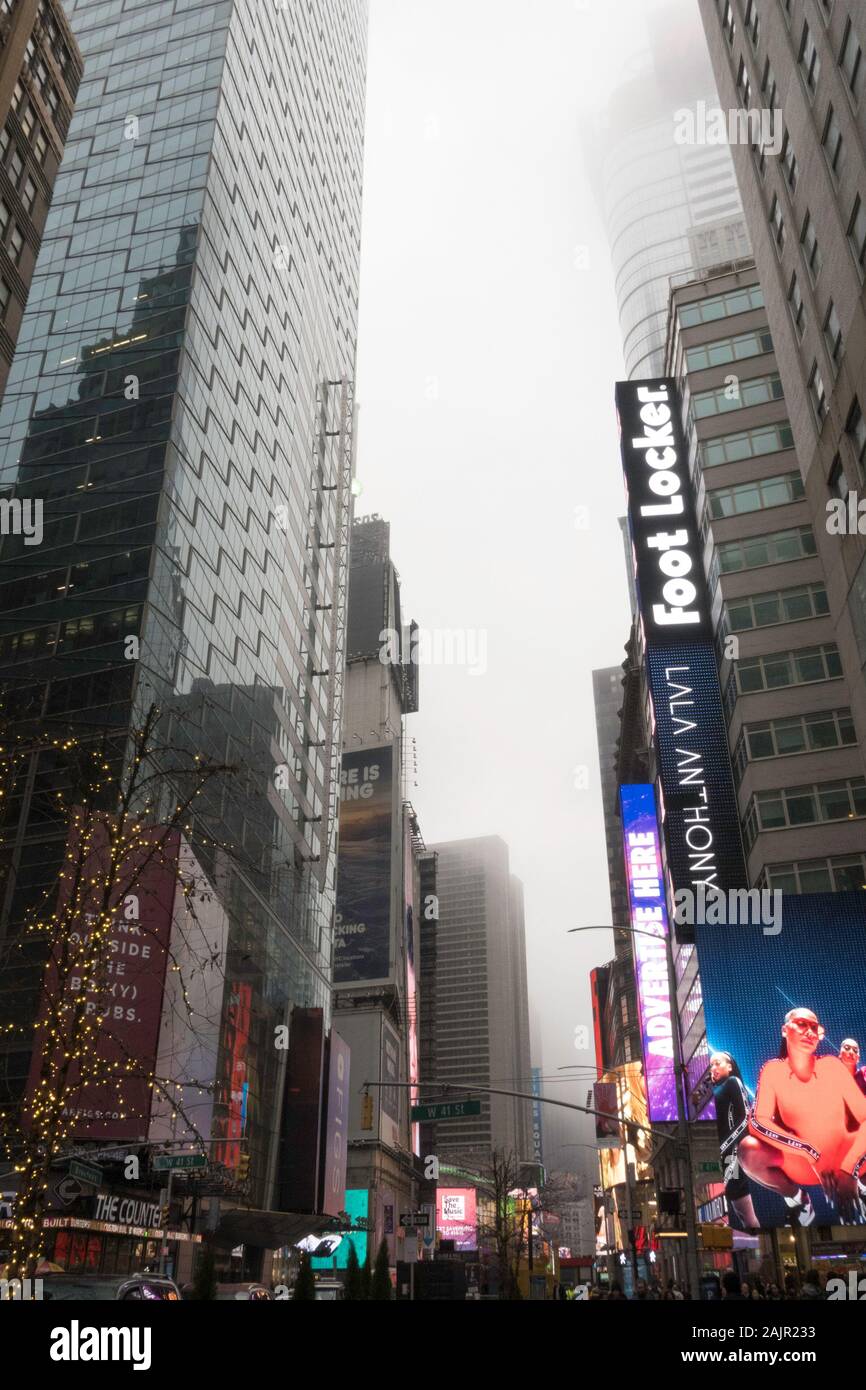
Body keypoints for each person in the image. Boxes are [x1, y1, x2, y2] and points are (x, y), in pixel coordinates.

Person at [739, 1008, 866, 1226]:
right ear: (785, 1030)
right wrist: (808, 1151)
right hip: (803, 1167)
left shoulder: (832, 1066)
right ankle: (798, 1200)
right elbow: (758, 1122)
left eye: (814, 1027)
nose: (809, 1032)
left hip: (846, 1156)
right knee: (748, 1151)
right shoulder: (772, 1070)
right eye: (801, 1024)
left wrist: (849, 1168)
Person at [711, 1051, 760, 1231]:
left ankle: (757, 1244)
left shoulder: (732, 1082)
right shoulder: (712, 1090)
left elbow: (745, 1117)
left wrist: (727, 1145)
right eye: (711, 1065)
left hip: (732, 1154)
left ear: (730, 1066)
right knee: (739, 1213)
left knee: (747, 1216)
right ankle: (752, 1242)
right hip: (723, 1157)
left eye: (717, 1063)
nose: (713, 1068)